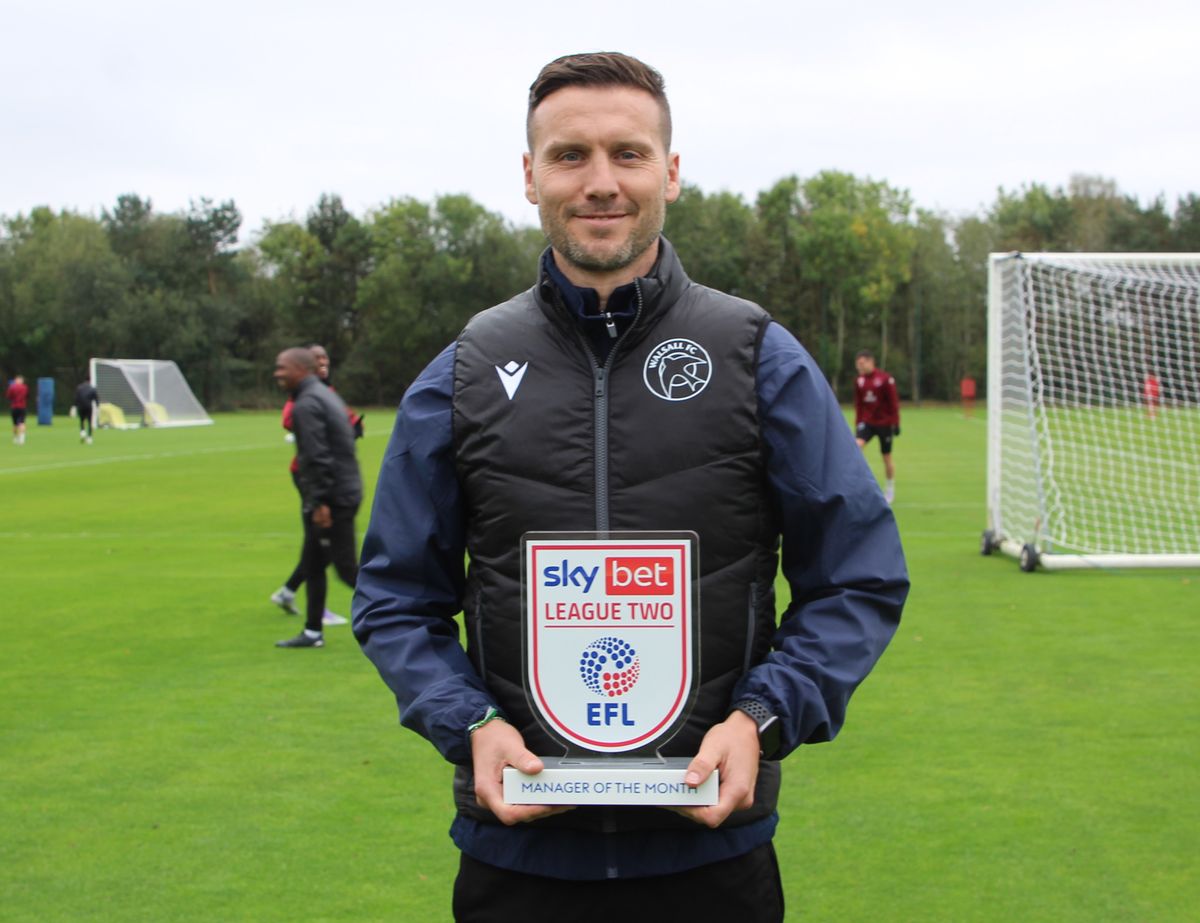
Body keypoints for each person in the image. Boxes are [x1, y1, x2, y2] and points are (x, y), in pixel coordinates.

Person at [353, 52, 907, 923]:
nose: (600, 182)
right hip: (518, 861)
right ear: (529, 177)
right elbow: (393, 596)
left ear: (672, 173)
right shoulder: (462, 370)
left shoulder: (757, 357)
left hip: (711, 859)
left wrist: (760, 718)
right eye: (570, 155)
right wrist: (469, 725)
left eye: (629, 154)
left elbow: (859, 577)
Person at [271, 347, 362, 649]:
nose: (277, 373)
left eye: (282, 367)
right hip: (343, 490)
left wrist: (320, 503)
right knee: (313, 562)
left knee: (348, 569)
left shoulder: (307, 404)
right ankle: (312, 631)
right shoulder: (325, 395)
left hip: (333, 498)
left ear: (301, 368)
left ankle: (405, 613)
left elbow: (316, 457)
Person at [854, 349, 900, 504]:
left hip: (884, 424)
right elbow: (859, 405)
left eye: (861, 364)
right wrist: (858, 423)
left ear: (870, 362)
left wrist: (896, 423)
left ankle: (890, 489)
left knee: (886, 458)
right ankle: (859, 486)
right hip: (867, 423)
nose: (859, 367)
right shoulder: (859, 381)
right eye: (857, 364)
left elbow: (894, 403)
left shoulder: (885, 379)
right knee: (855, 448)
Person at [74, 380, 100, 444]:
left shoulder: (79, 388)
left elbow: (76, 398)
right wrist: (97, 407)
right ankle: (89, 437)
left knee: (82, 420)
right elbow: (96, 399)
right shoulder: (92, 388)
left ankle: (82, 432)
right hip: (89, 406)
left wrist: (74, 406)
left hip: (81, 406)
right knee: (89, 421)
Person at [7, 374, 29, 445]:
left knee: (15, 424)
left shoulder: (12, 387)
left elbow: (9, 396)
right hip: (22, 407)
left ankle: (15, 438)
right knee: (22, 423)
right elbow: (27, 396)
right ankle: (21, 439)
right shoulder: (25, 387)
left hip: (14, 407)